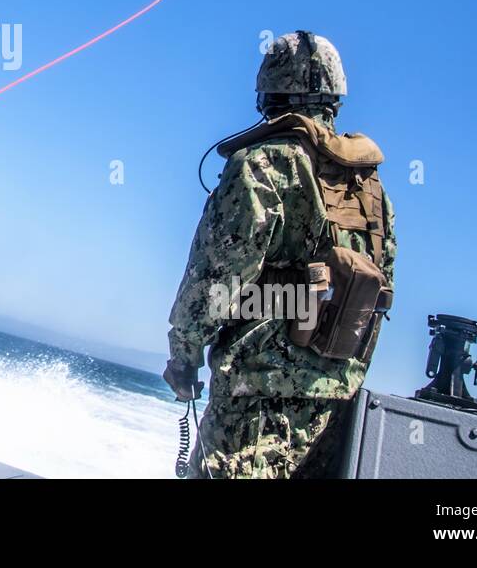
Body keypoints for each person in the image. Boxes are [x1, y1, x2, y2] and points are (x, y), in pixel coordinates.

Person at [164, 31, 396, 479]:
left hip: (255, 396)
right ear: (335, 98)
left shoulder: (262, 164)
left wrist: (184, 355)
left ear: (268, 94)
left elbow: (214, 281)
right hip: (336, 403)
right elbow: (380, 290)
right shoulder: (372, 192)